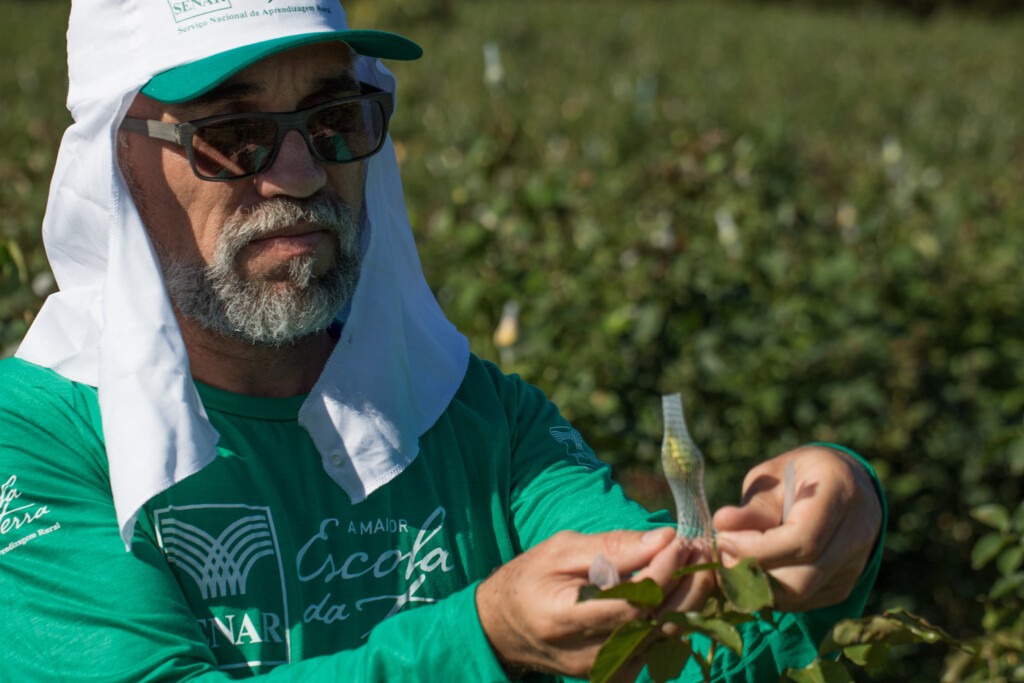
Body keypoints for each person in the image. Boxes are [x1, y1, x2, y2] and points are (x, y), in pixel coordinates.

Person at [0, 1, 884, 681]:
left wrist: (823, 531)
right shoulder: (36, 442)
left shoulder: (469, 413)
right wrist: (482, 639)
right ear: (114, 164)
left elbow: (681, 644)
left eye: (334, 118)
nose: (300, 174)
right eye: (230, 137)